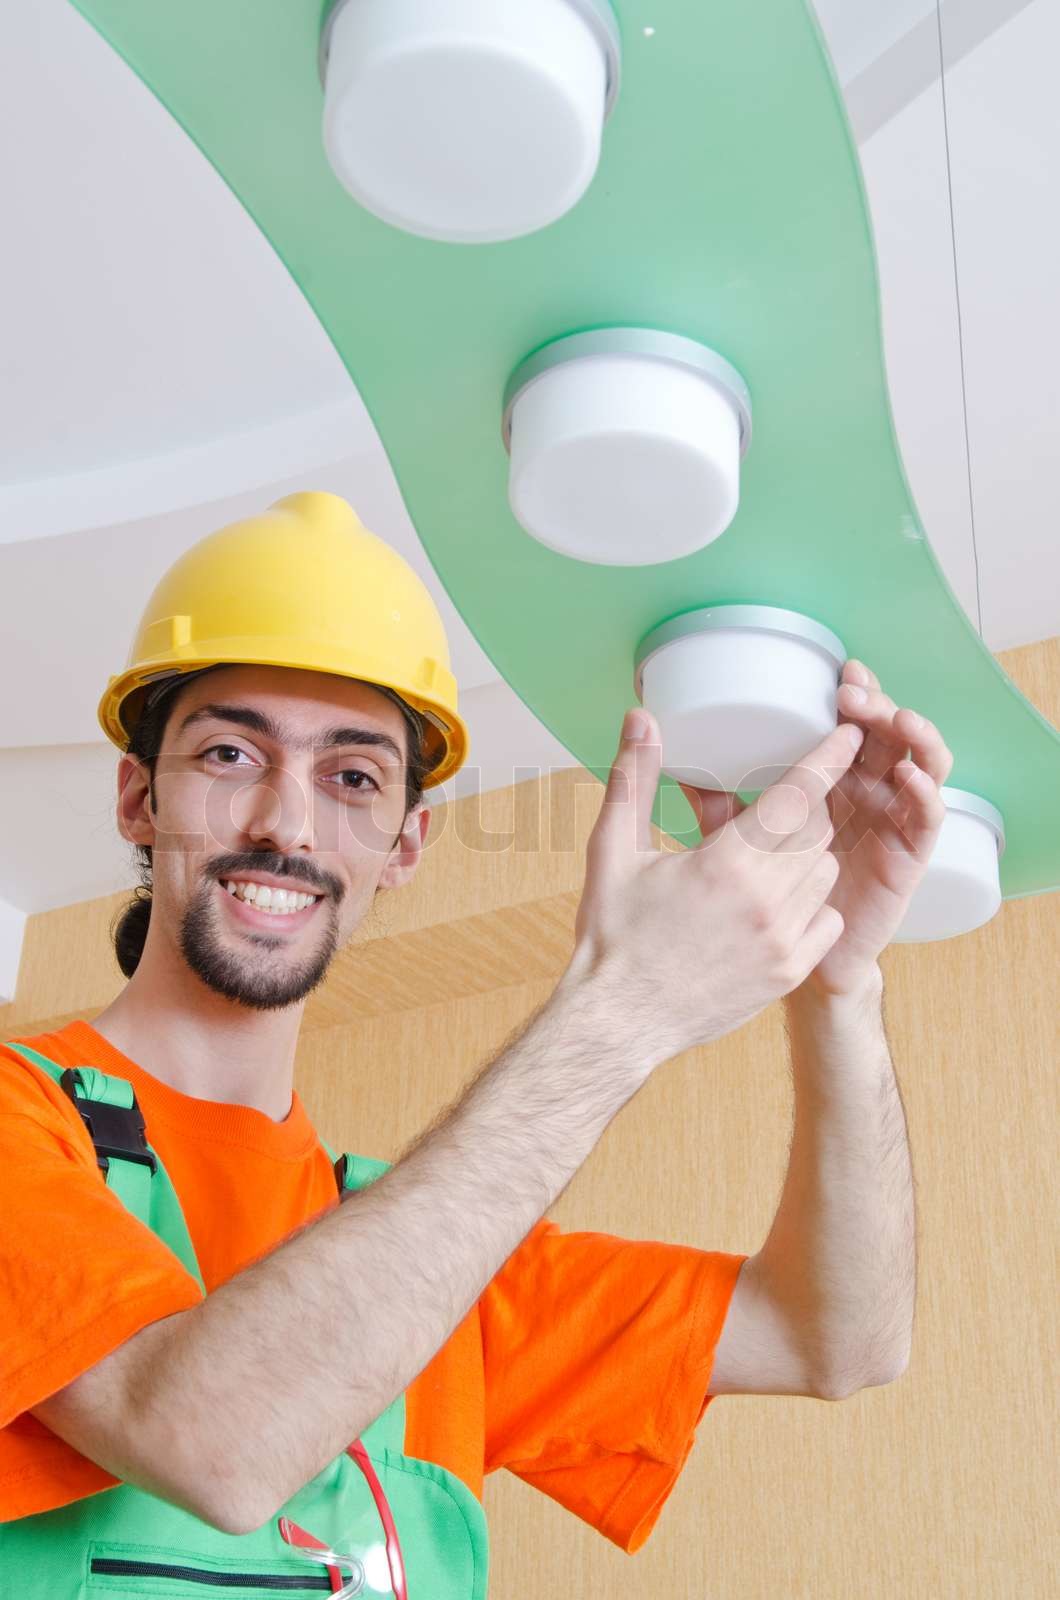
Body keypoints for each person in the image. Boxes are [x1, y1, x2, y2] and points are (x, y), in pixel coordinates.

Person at [0, 491, 943, 1596]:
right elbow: (212, 1443)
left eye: (352, 777)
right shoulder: (24, 1132)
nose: (288, 825)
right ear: (136, 796)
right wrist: (620, 1009)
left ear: (405, 844)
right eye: (227, 754)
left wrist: (837, 978)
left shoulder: (442, 1253)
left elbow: (834, 1335)